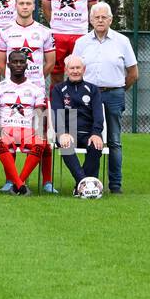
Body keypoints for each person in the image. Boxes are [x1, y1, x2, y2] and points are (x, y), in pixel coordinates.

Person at [72, 3, 138, 194]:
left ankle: (115, 185)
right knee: (89, 138)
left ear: (110, 20)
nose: (100, 20)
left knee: (114, 140)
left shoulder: (122, 41)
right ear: (91, 20)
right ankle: (87, 181)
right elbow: (74, 68)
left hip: (113, 94)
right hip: (87, 97)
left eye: (104, 17)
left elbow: (133, 73)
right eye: (97, 17)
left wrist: (118, 89)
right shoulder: (81, 42)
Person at [0, 0, 56, 192]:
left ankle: (47, 182)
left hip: (36, 92)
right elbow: (0, 62)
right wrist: (13, 80)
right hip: (11, 91)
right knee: (8, 134)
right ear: (15, 5)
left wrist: (34, 80)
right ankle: (10, 181)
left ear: (34, 6)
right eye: (21, 3)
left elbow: (50, 62)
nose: (25, 7)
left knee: (43, 136)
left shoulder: (45, 32)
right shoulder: (4, 31)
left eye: (28, 3)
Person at [0, 52, 50, 196]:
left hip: (26, 130)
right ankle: (20, 185)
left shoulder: (36, 88)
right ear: (8, 65)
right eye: (15, 62)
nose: (18, 65)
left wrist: (40, 130)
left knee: (41, 142)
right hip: (5, 129)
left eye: (22, 62)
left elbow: (41, 113)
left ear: (27, 65)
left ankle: (17, 183)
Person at [50, 55, 106, 196]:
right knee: (65, 145)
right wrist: (62, 133)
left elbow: (98, 115)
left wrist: (96, 133)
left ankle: (80, 187)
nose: (75, 71)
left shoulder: (93, 89)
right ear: (66, 70)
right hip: (68, 133)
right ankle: (85, 184)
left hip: (88, 133)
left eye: (78, 68)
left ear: (84, 69)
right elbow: (57, 114)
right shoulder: (58, 89)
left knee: (96, 146)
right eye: (72, 68)